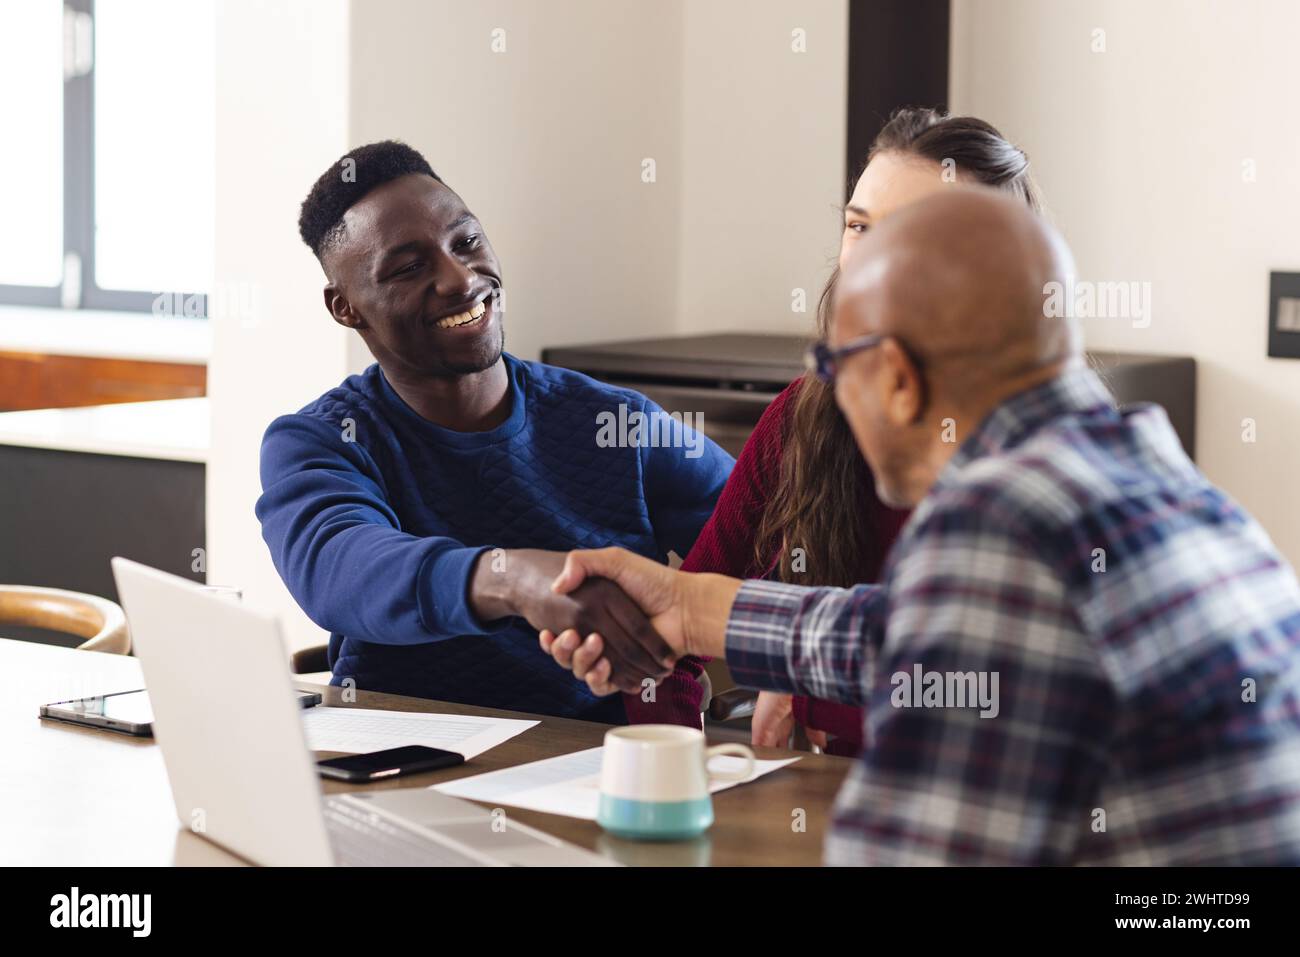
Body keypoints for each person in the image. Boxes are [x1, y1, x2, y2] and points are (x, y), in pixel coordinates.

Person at [539, 188, 1300, 865]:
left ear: (899, 380)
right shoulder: (1184, 495)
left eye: (836, 371)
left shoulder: (1004, 527)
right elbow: (902, 637)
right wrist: (689, 607)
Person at [256, 140, 730, 722]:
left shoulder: (617, 423)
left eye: (467, 242)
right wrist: (516, 579)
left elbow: (770, 533)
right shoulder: (320, 440)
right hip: (400, 766)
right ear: (345, 306)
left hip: (589, 770)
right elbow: (337, 569)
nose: (459, 280)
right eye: (409, 268)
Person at [674, 108, 1043, 752]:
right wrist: (669, 774)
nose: (867, 263)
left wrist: (805, 682)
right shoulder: (804, 413)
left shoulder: (1040, 466)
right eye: (857, 226)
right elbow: (683, 623)